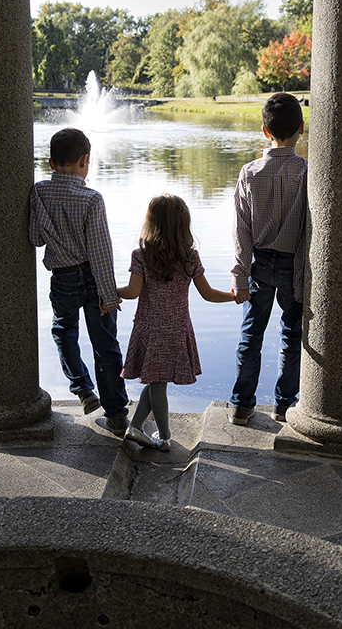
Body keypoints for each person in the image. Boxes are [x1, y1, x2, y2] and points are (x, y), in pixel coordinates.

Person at [29, 127, 129, 435]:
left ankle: (83, 389)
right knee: (106, 345)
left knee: (64, 331)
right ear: (85, 160)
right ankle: (116, 414)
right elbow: (100, 251)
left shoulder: (38, 192)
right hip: (92, 278)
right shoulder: (92, 199)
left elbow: (35, 238)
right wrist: (109, 295)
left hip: (62, 278)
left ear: (51, 163)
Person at [119, 194, 235, 450]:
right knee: (157, 382)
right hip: (176, 329)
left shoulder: (141, 256)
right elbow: (208, 294)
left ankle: (136, 428)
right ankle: (164, 437)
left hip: (148, 329)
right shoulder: (189, 257)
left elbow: (132, 292)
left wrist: (108, 291)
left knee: (156, 380)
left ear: (151, 223)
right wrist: (233, 296)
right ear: (183, 224)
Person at [228, 92, 308, 425]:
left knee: (251, 335)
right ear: (301, 128)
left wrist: (240, 277)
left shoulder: (249, 172)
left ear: (265, 130)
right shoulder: (307, 172)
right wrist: (302, 279)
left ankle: (241, 405)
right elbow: (308, 232)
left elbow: (241, 230)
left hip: (259, 264)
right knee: (291, 336)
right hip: (293, 265)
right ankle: (284, 404)